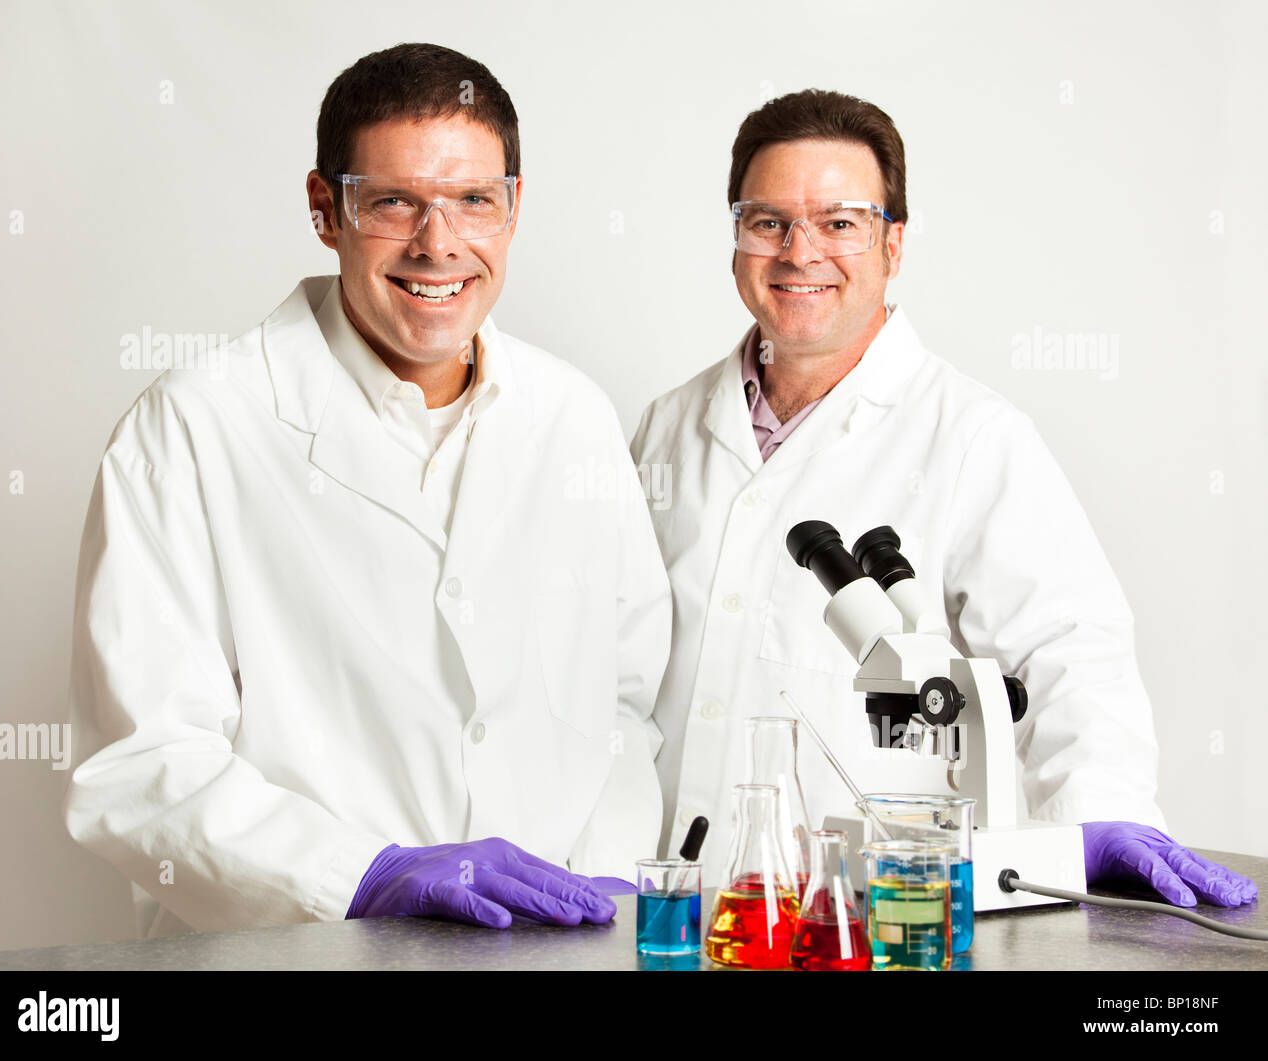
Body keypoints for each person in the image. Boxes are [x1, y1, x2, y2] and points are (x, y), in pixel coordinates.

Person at [63, 43, 671, 937]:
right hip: (293, 954)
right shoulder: (192, 427)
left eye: (474, 200)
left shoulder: (572, 416)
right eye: (394, 202)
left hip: (544, 957)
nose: (440, 242)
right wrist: (366, 877)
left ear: (512, 207)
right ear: (326, 208)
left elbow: (622, 703)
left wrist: (604, 887)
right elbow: (142, 761)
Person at [629, 89, 1256, 907]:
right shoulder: (665, 427)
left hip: (873, 915)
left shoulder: (973, 438)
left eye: (841, 221)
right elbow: (616, 671)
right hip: (673, 909)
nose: (799, 250)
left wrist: (1098, 832)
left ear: (893, 244)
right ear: (738, 238)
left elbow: (1072, 658)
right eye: (768, 220)